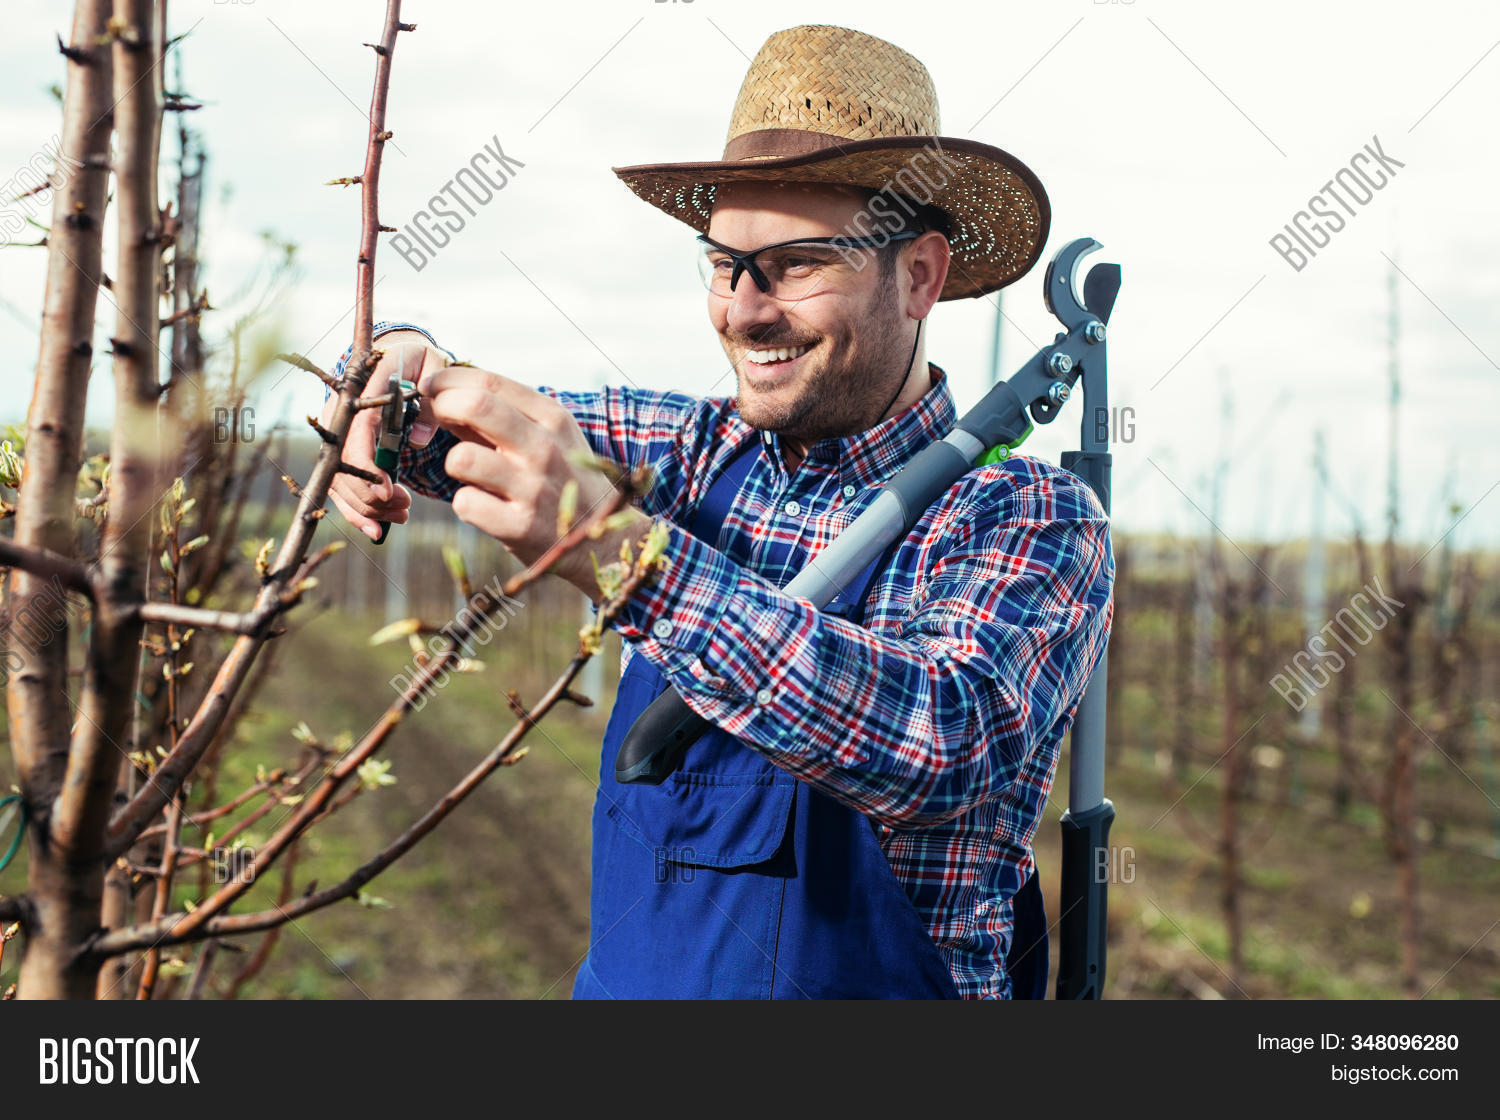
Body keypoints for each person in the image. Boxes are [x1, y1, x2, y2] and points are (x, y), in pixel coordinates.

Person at [322, 24, 1113, 999]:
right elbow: (452, 417)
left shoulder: (1024, 517)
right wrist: (394, 368)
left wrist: (627, 556)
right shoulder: (688, 453)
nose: (742, 309)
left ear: (919, 275)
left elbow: (937, 747)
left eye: (796, 262)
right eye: (723, 262)